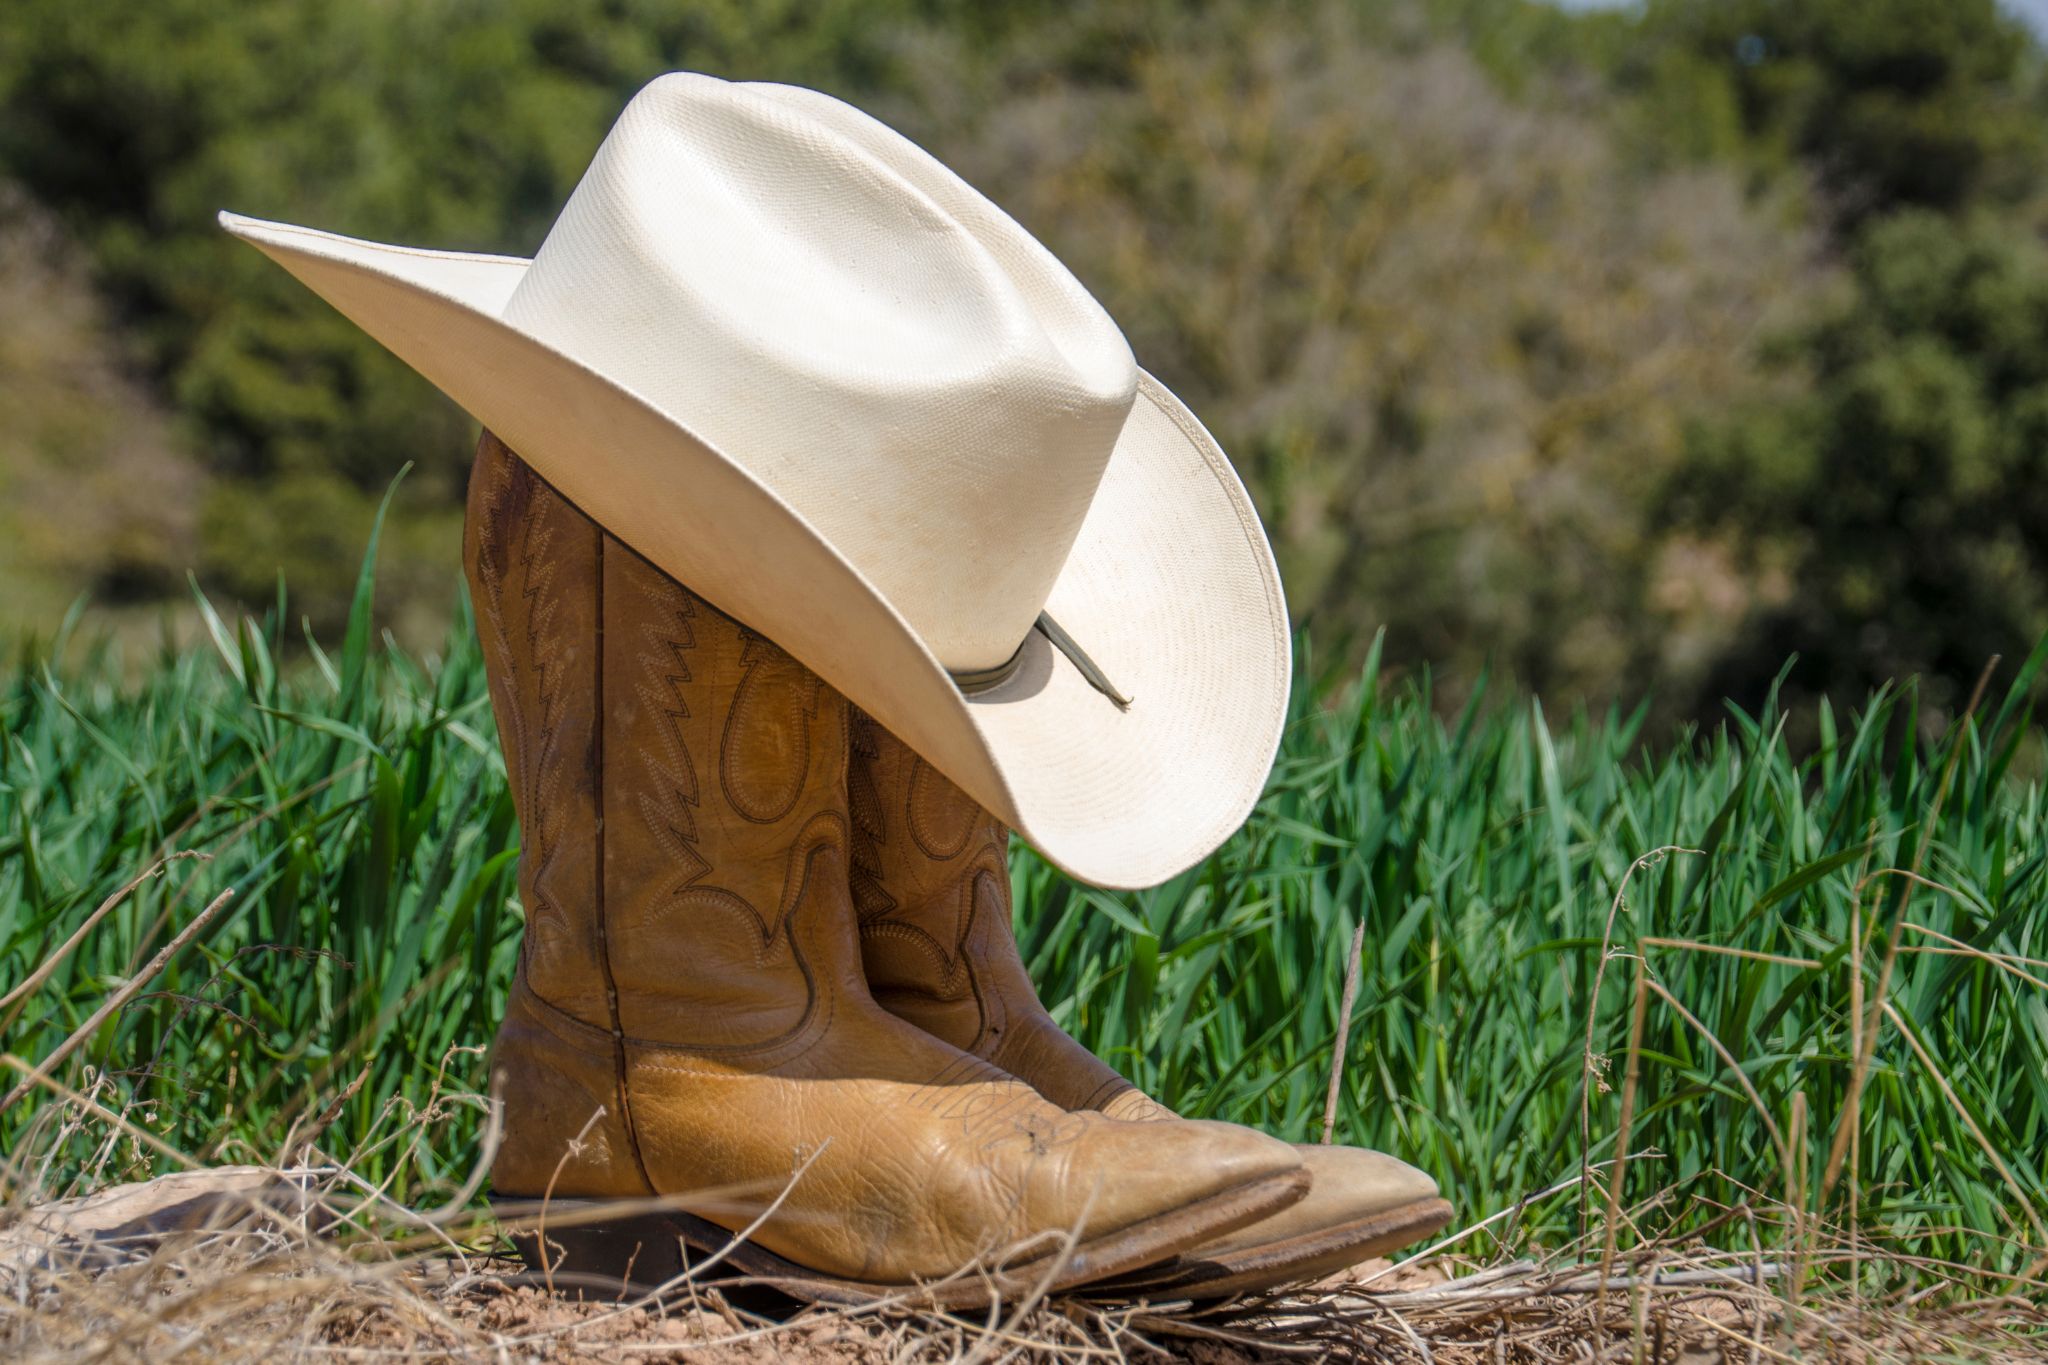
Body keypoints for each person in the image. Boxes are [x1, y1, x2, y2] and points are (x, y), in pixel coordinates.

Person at [224, 72, 1449, 1303]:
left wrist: (971, 1028)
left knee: (967, 1012)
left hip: (742, 1079)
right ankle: (682, 1072)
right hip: (666, 1074)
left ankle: (828, 1065)